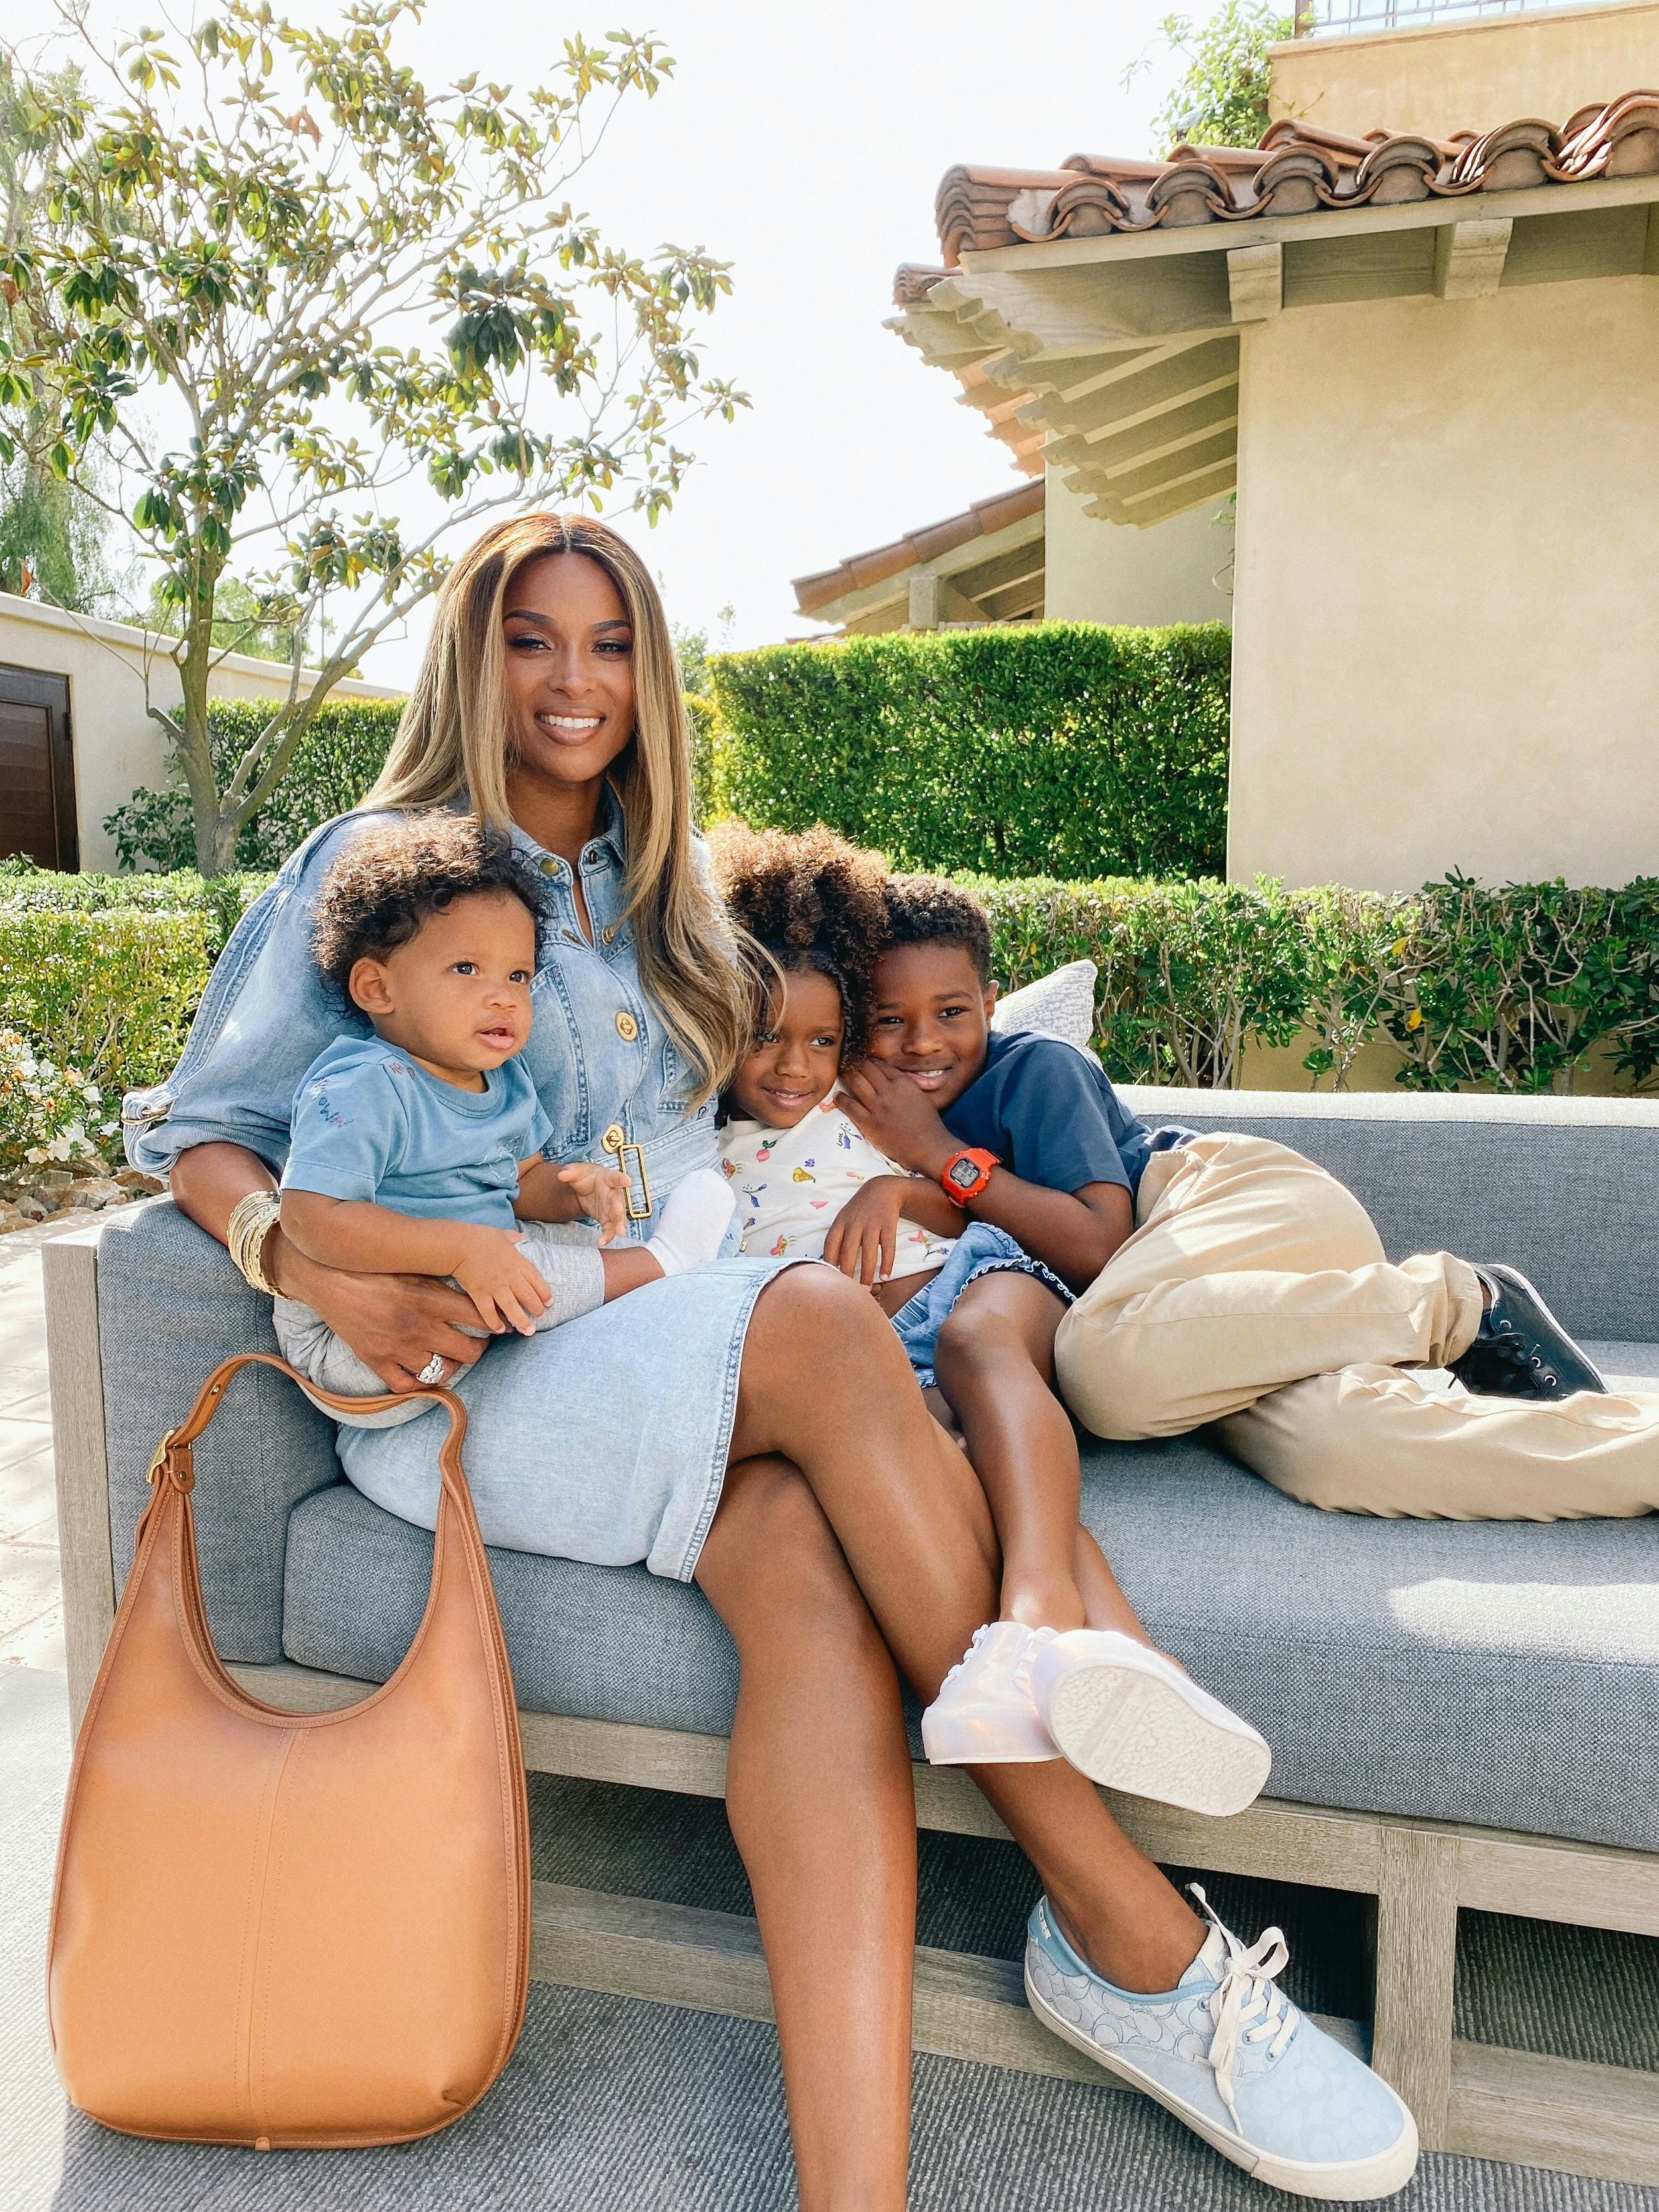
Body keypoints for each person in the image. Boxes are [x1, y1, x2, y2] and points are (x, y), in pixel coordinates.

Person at [131, 510, 1417, 2207]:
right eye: (532, 639)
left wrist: (912, 1182)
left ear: (650, 672)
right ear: (474, 659)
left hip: (655, 1326)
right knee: (811, 1318)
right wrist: (299, 1258)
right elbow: (201, 1128)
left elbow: (763, 1125)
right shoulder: (382, 864)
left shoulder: (675, 895)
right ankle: (1129, 1931)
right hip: (467, 1376)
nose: (574, 680)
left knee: (810, 1564)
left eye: (610, 643)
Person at [714, 828, 1270, 1820]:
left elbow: (1020, 1216)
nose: (919, 1042)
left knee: (980, 1348)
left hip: (989, 1274)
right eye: (888, 1021)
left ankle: (1038, 1614)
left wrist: (907, 1180)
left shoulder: (908, 1095)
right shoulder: (732, 1134)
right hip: (888, 1349)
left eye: (950, 1013)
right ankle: (1137, 1665)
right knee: (955, 1465)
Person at [273, 810, 737, 1426]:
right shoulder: (364, 1086)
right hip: (353, 1340)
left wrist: (574, 1193)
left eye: (518, 975)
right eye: (466, 969)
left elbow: (522, 1181)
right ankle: (666, 1263)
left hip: (458, 1310)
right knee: (518, 1263)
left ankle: (634, 1279)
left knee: (553, 1243)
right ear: (377, 988)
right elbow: (308, 1218)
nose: (503, 996)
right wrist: (461, 1248)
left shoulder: (504, 1078)